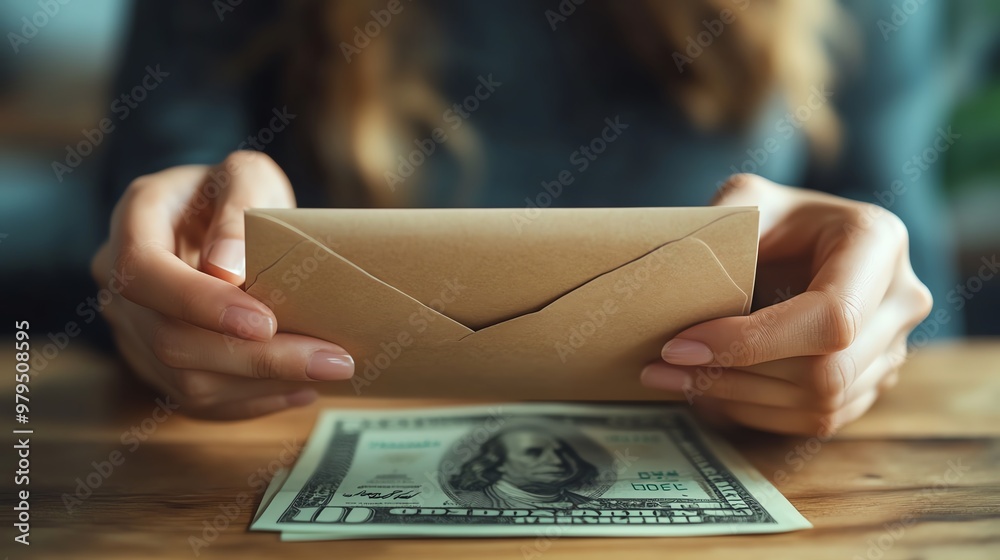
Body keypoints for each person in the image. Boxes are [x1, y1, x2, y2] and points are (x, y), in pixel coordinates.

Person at [91, 1, 950, 433]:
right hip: (271, 456)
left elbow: (918, 304)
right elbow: (134, 263)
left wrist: (860, 324)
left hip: (734, 455)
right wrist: (170, 280)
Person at [449, 428, 600, 509]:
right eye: (534, 453)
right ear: (499, 463)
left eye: (560, 452)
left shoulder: (589, 504)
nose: (557, 461)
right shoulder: (470, 503)